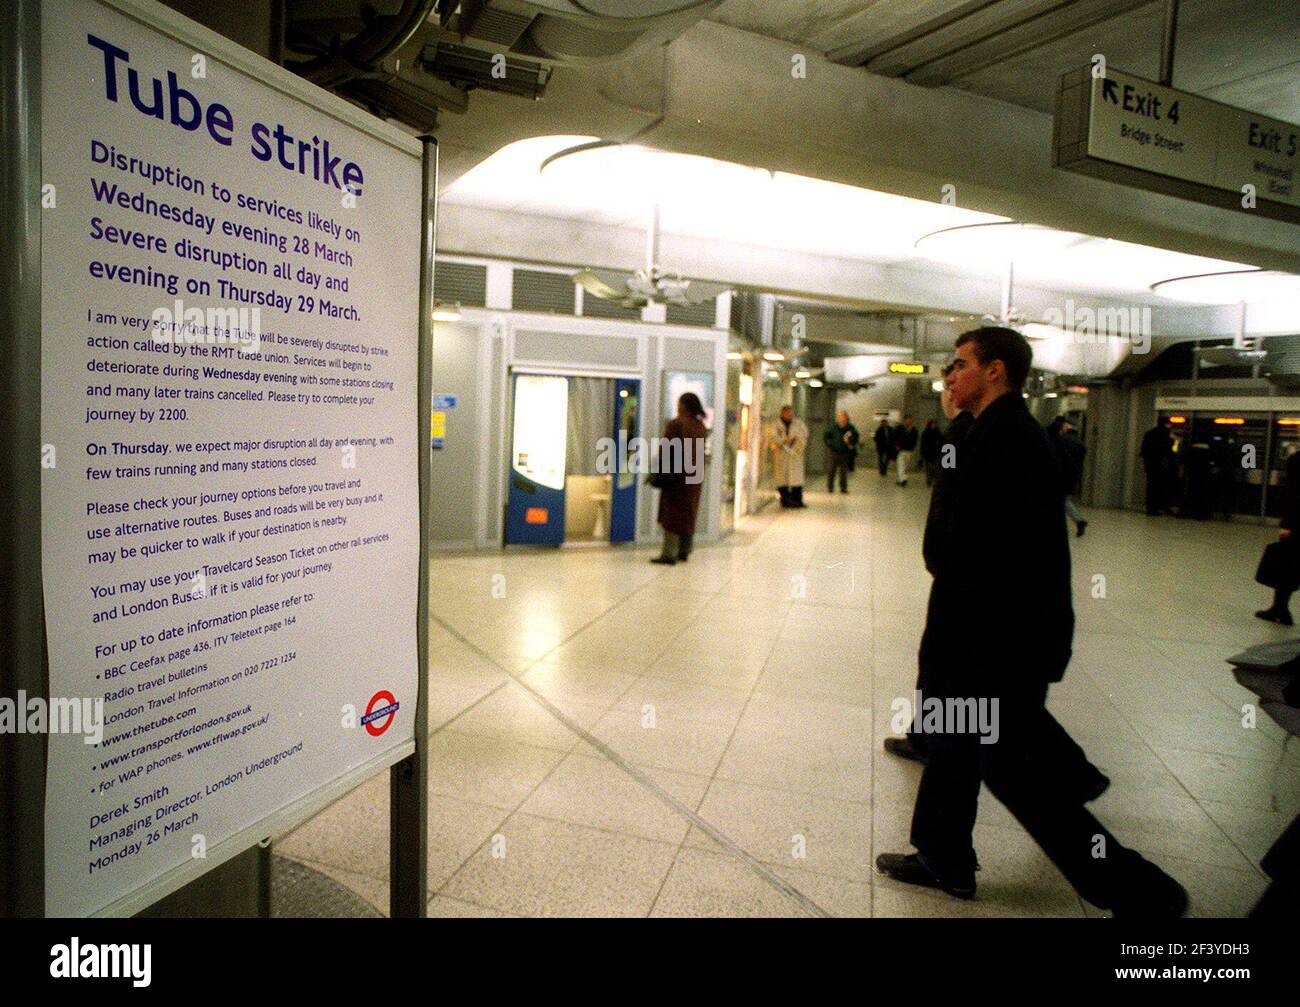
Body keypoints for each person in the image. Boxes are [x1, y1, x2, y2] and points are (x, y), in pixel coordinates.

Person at [876, 326, 1187, 917]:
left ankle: (1141, 891)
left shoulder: (1005, 440)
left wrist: (955, 436)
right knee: (952, 746)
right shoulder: (994, 430)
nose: (948, 375)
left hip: (993, 641)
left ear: (995, 371)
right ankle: (944, 856)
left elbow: (946, 546)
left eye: (959, 365)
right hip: (982, 631)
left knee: (1014, 773)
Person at [651, 392, 707, 566]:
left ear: (683, 405)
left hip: (676, 477)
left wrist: (658, 467)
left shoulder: (676, 424)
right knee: (689, 513)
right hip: (695, 476)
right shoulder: (700, 426)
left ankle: (669, 553)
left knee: (672, 514)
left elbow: (666, 449)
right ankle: (685, 550)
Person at [1256, 443, 1300, 625]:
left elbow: (1294, 495)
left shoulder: (1296, 461)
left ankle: (1280, 608)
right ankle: (1279, 608)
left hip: (1297, 525)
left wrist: (1287, 524)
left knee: (1287, 566)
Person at [1048, 417, 1088, 537]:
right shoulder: (1080, 443)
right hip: (1073, 475)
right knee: (1064, 499)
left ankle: (1079, 520)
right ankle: (1079, 521)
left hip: (1060, 475)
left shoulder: (1061, 441)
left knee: (1062, 500)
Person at [770, 405, 808, 508]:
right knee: (782, 479)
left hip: (795, 454)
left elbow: (804, 435)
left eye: (791, 414)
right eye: (787, 413)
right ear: (782, 414)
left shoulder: (798, 423)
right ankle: (785, 501)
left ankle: (798, 500)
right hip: (781, 454)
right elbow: (773, 438)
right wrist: (784, 441)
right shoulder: (776, 425)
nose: (789, 415)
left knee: (796, 479)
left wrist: (795, 441)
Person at [1140, 418, 1175, 516]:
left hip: (1150, 463)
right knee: (1160, 486)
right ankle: (1160, 507)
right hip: (1160, 464)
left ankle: (1152, 508)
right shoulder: (1165, 435)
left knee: (1152, 486)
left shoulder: (1150, 433)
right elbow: (1170, 449)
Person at [823, 410, 859, 493]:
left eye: (844, 417)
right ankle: (830, 487)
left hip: (845, 452)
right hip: (834, 451)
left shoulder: (850, 427)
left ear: (847, 418)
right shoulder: (833, 427)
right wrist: (830, 444)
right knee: (832, 469)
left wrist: (850, 440)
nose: (843, 419)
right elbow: (826, 436)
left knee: (843, 471)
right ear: (839, 418)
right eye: (841, 417)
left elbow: (856, 437)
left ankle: (843, 487)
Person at [894, 415, 919, 485]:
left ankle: (899, 479)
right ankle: (903, 479)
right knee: (900, 464)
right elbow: (895, 437)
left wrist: (913, 448)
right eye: (907, 420)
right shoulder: (899, 428)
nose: (908, 422)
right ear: (904, 421)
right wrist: (896, 445)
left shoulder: (914, 430)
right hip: (901, 450)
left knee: (905, 465)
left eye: (909, 420)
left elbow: (915, 439)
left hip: (909, 450)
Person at [919, 418, 943, 487]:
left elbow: (941, 440)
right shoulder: (925, 432)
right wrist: (922, 454)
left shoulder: (938, 432)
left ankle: (934, 480)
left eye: (935, 424)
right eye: (933, 424)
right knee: (929, 469)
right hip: (928, 453)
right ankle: (929, 481)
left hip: (936, 453)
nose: (934, 425)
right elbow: (922, 444)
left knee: (935, 468)